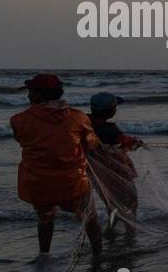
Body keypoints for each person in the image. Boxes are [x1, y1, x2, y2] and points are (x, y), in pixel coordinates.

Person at [10, 74, 102, 259]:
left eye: (31, 92)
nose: (28, 96)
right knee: (89, 218)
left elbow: (20, 139)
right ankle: (98, 255)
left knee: (45, 219)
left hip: (38, 182)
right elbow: (92, 143)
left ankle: (44, 255)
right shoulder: (78, 118)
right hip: (73, 183)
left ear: (39, 95)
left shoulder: (19, 120)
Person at [87, 92, 145, 238]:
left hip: (98, 172)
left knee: (112, 203)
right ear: (111, 111)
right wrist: (137, 142)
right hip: (117, 170)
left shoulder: (85, 124)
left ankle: (111, 229)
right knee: (131, 203)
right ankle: (130, 232)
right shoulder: (110, 130)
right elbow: (126, 142)